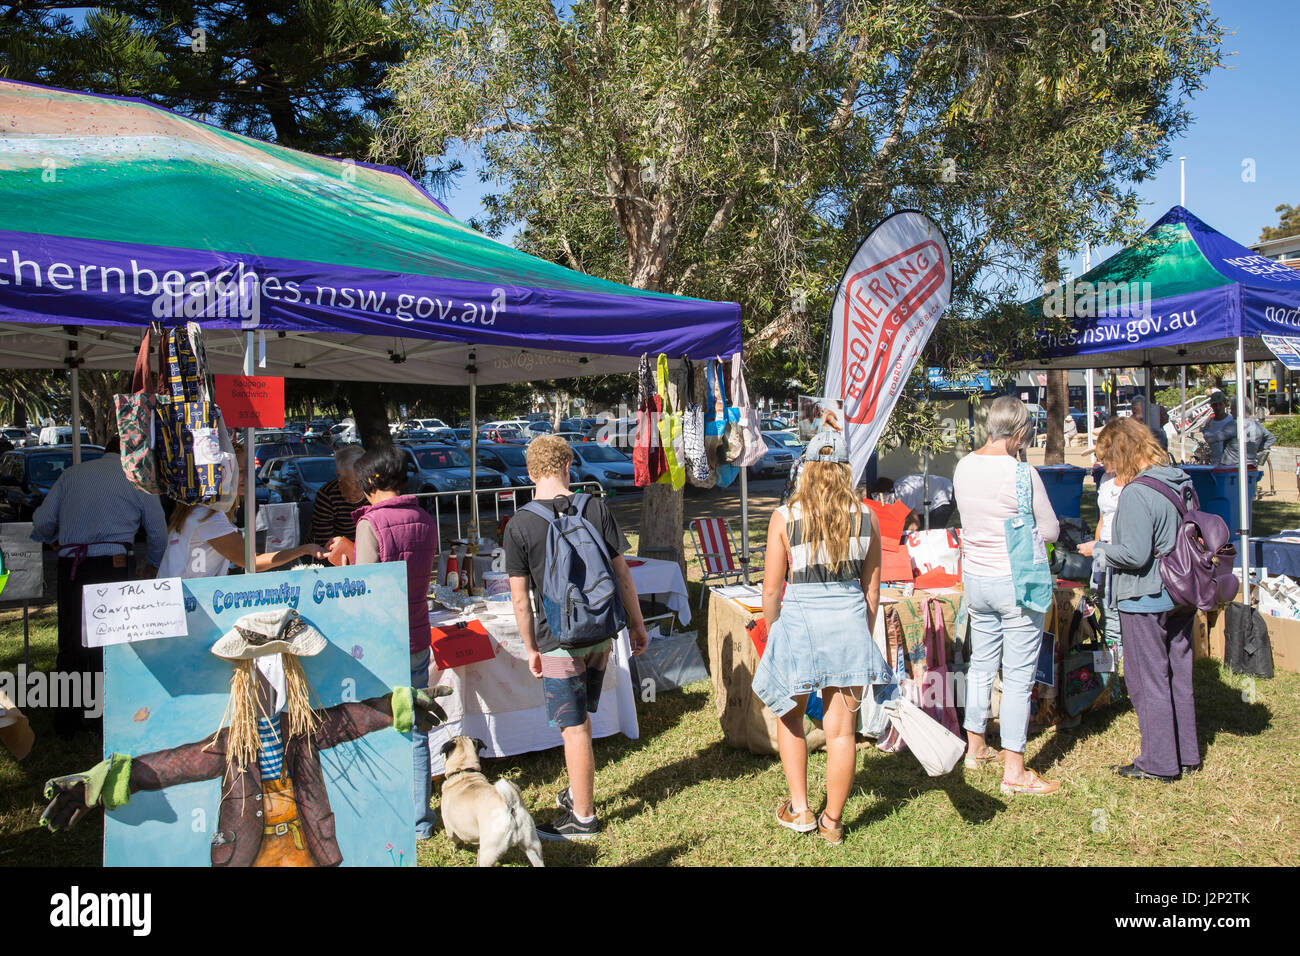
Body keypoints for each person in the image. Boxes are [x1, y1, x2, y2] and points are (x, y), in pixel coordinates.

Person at [504, 435, 649, 841]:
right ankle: (577, 789)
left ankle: (582, 817)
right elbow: (622, 574)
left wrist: (531, 647)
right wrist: (637, 625)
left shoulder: (520, 524)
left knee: (575, 728)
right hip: (601, 634)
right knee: (583, 718)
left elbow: (520, 598)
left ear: (531, 473)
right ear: (568, 465)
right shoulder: (596, 507)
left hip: (558, 641)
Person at [752, 428, 890, 845]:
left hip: (799, 628)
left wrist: (773, 632)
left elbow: (772, 589)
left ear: (806, 469)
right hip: (849, 627)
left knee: (790, 716)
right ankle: (833, 821)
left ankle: (800, 808)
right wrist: (862, 636)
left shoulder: (784, 516)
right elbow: (872, 590)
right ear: (846, 471)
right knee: (842, 732)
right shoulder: (868, 517)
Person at [953, 396, 1062, 796]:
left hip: (976, 580)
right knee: (1017, 677)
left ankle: (976, 745)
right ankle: (1015, 770)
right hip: (1016, 582)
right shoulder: (1022, 473)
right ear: (1019, 434)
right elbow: (1050, 531)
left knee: (981, 664)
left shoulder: (964, 466)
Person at [30, 436, 168, 737]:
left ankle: (67, 720)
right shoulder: (137, 478)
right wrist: (153, 567)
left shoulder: (72, 474)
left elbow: (41, 521)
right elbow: (158, 532)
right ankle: (105, 715)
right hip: (113, 565)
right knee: (111, 643)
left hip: (73, 566)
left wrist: (55, 541)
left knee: (70, 641)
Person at [1088, 417, 1199, 782]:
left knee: (1146, 678)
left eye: (1108, 459)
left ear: (1122, 451)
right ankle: (1185, 754)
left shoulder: (1137, 492)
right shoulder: (1179, 481)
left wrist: (1099, 548)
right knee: (1178, 675)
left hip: (1146, 594)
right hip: (1183, 592)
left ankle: (1159, 761)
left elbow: (1135, 555)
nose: (1106, 467)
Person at [348, 443, 441, 839]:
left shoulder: (371, 524)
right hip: (418, 632)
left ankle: (389, 811)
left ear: (371, 481)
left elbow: (362, 588)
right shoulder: (424, 518)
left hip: (381, 640)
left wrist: (344, 562)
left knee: (382, 725)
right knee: (414, 726)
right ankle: (420, 818)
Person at [157, 452, 326, 580]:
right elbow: (252, 562)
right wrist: (304, 549)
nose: (246, 477)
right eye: (240, 471)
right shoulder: (208, 517)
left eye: (248, 470)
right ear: (222, 475)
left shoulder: (200, 510)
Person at [309, 444, 368, 547]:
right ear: (339, 475)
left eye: (364, 480)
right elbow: (324, 542)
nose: (361, 488)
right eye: (354, 482)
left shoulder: (373, 490)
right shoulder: (327, 496)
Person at [1219, 399, 1275, 468]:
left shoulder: (1232, 425)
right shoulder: (1257, 425)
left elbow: (1216, 440)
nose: (1230, 412)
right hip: (1251, 465)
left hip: (1231, 466)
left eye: (1232, 409)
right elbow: (1271, 438)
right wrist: (1257, 448)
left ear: (1239, 409)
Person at [1201, 389, 1235, 465]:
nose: (1218, 407)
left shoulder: (1232, 421)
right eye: (1215, 405)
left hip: (1230, 464)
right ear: (1212, 406)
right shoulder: (1209, 422)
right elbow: (1207, 438)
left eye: (1220, 404)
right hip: (1215, 462)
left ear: (1225, 404)